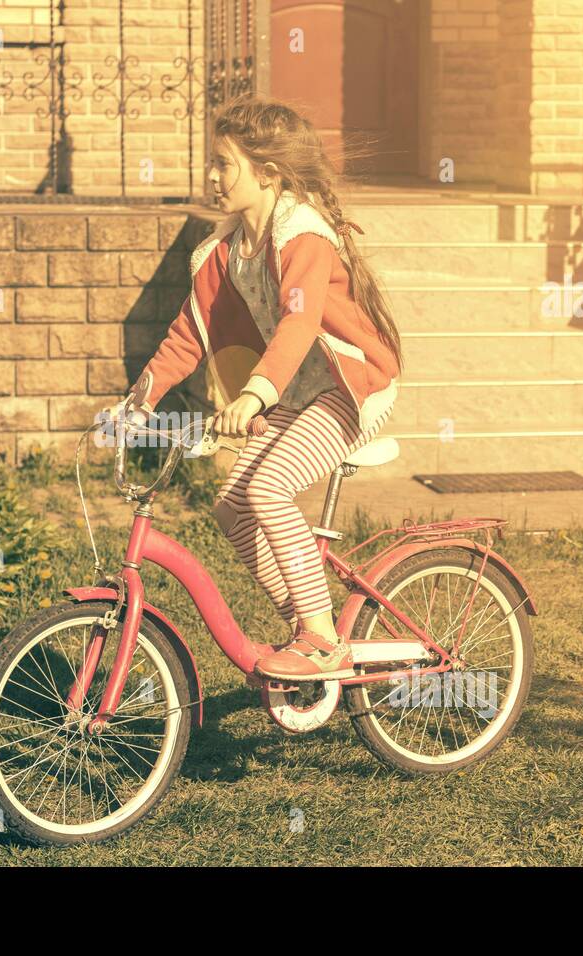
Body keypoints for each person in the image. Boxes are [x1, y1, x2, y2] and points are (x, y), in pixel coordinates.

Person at [126, 94, 403, 681]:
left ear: (268, 174)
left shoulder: (303, 234)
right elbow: (186, 335)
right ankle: (307, 624)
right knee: (232, 507)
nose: (211, 176)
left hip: (349, 387)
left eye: (224, 164)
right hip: (293, 394)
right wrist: (139, 400)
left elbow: (300, 322)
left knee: (269, 489)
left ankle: (322, 640)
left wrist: (252, 394)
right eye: (211, 162)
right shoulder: (224, 252)